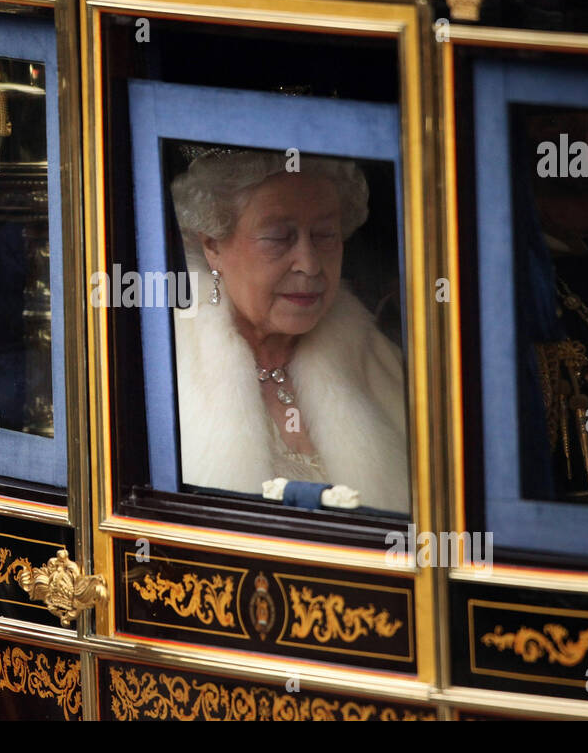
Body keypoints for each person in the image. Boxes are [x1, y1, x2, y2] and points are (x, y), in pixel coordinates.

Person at [170, 148, 410, 512]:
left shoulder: (378, 359)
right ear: (213, 245)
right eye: (279, 237)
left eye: (325, 235)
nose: (310, 265)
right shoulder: (163, 368)